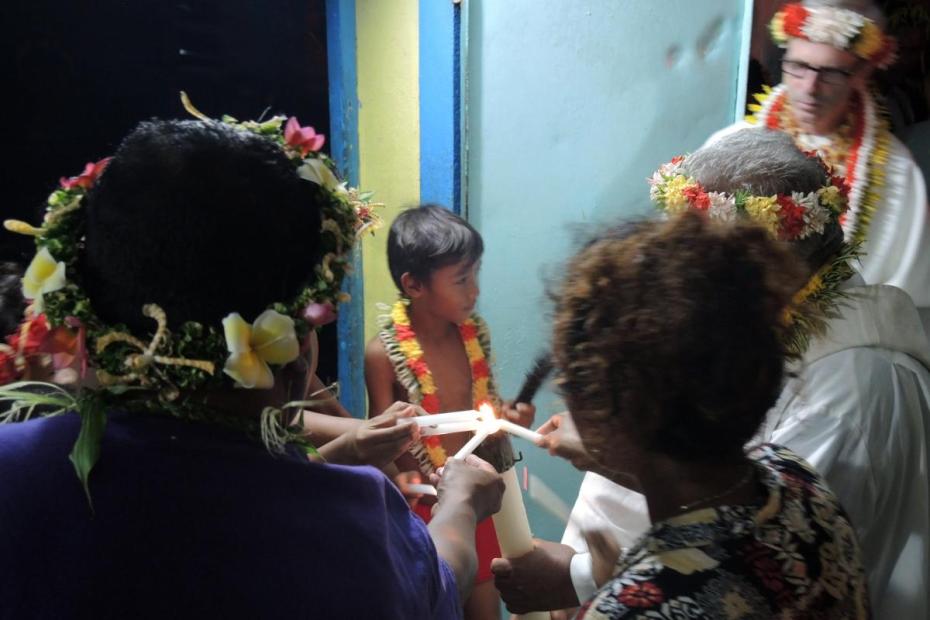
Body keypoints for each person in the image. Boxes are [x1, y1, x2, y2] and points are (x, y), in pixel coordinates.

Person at [0, 115, 504, 618]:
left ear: (81, 305)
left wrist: (347, 445)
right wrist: (461, 504)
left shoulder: (15, 470)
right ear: (297, 343)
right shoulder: (354, 525)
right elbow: (435, 583)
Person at [506, 129, 929, 619]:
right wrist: (611, 462)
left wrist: (580, 578)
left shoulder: (845, 397)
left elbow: (746, 570)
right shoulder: (793, 476)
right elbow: (743, 508)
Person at [365, 203, 534, 620]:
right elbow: (377, 438)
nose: (474, 290)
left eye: (475, 273)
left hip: (478, 495)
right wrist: (396, 476)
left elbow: (482, 409)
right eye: (461, 279)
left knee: (484, 607)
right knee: (435, 602)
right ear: (414, 285)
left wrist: (508, 419)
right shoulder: (383, 354)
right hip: (423, 507)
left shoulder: (475, 334)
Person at [725, 0, 930, 333]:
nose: (809, 88)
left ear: (862, 74)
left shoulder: (896, 176)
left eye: (830, 73)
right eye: (798, 67)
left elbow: (905, 307)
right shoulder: (737, 142)